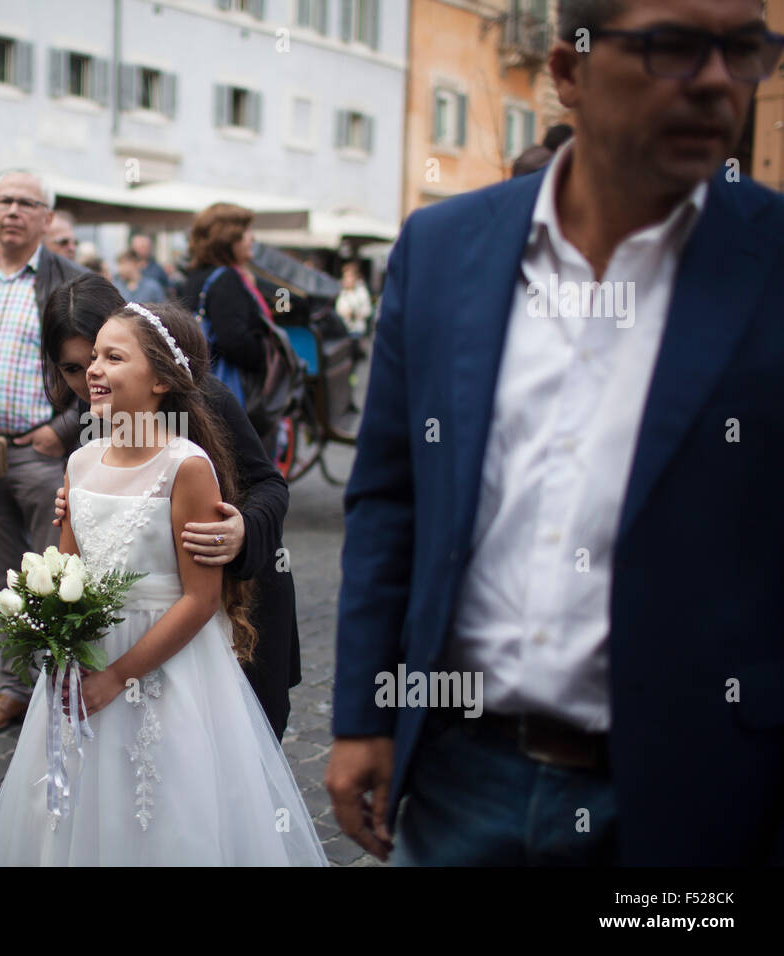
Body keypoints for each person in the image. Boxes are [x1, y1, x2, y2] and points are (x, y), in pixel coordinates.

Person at [326, 0, 784, 866]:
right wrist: (364, 715)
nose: (720, 82)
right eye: (675, 48)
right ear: (567, 71)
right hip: (460, 777)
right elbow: (392, 498)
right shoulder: (444, 247)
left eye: (745, 50)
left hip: (699, 801)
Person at [0, 301, 326, 865]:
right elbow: (68, 570)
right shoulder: (82, 460)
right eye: (89, 358)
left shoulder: (186, 465)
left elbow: (200, 596)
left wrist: (117, 676)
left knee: (168, 806)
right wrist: (60, 640)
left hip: (167, 661)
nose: (91, 369)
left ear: (162, 377)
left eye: (112, 357)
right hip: (89, 656)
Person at [43, 273, 301, 738]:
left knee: (241, 740)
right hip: (125, 624)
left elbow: (269, 484)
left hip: (236, 592)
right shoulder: (97, 414)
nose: (89, 377)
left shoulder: (200, 397)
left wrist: (243, 529)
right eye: (72, 368)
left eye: (106, 355)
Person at [0, 169, 87, 736]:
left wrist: (67, 427)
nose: (13, 211)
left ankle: (64, 690)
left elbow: (106, 364)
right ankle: (15, 691)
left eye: (27, 203)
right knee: (3, 581)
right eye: (4, 200)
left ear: (47, 219)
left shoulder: (69, 280)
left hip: (40, 453)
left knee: (55, 578)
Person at [177, 203, 277, 453]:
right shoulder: (226, 279)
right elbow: (235, 340)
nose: (252, 238)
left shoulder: (196, 276)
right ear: (228, 238)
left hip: (200, 389)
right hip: (228, 393)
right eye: (245, 232)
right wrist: (266, 360)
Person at [334, 261, 373, 338]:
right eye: (345, 277)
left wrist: (354, 314)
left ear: (355, 277)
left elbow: (368, 311)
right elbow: (337, 310)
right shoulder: (341, 292)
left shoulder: (362, 292)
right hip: (342, 331)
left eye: (349, 276)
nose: (347, 279)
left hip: (357, 331)